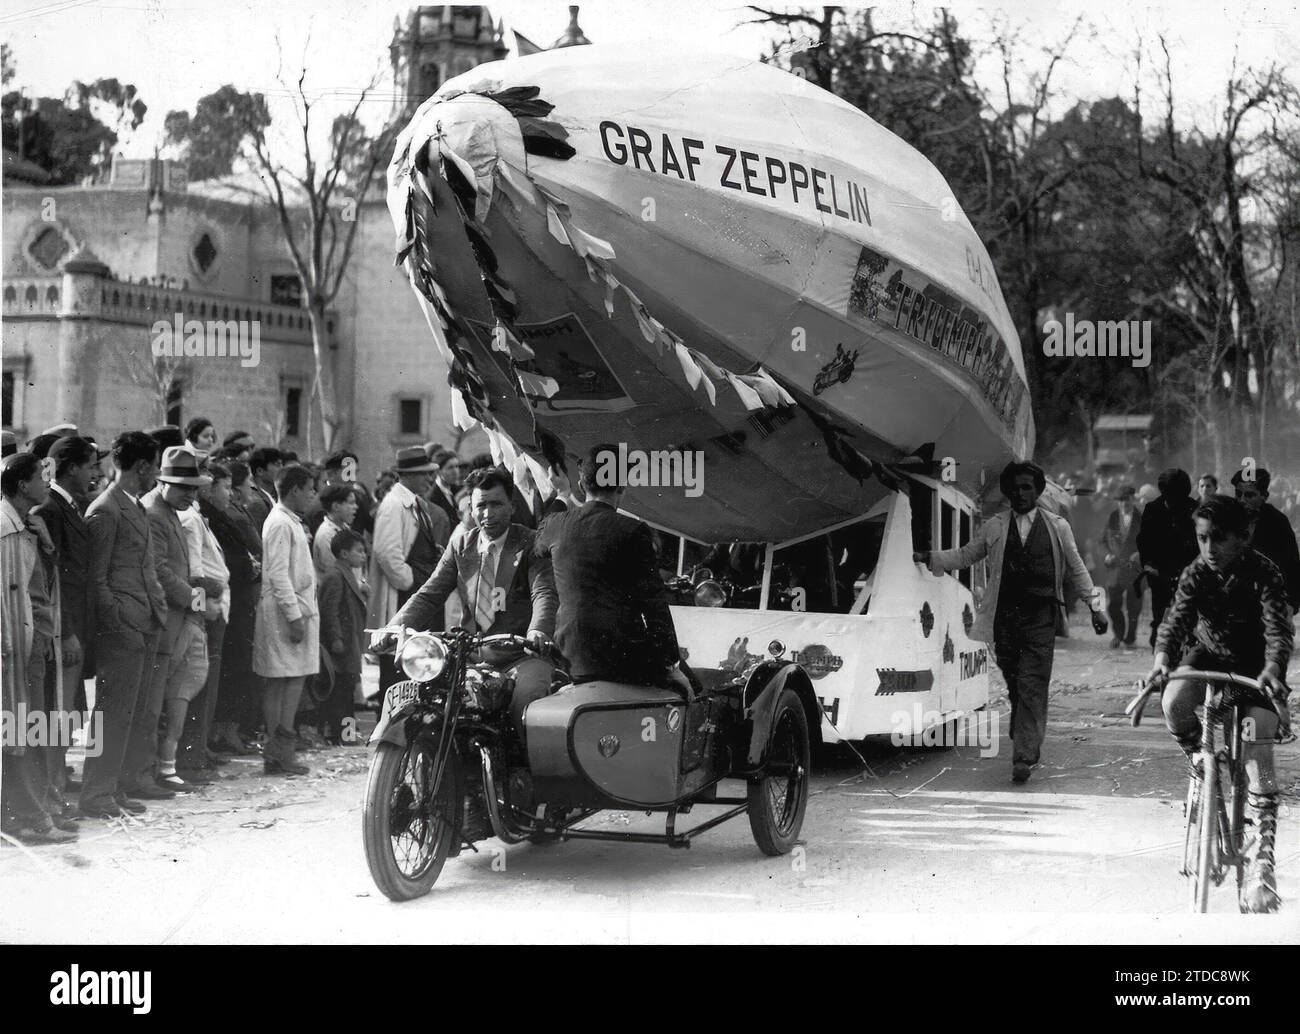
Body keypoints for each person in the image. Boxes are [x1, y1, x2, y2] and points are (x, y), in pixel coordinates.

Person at [915, 460, 1109, 783]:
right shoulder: (995, 526)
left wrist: (1095, 607)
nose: (1020, 494)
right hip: (1005, 618)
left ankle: (1025, 754)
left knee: (1033, 682)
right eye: (1015, 488)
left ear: (1037, 491)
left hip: (1041, 617)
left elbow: (1077, 569)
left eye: (1026, 488)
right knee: (1016, 682)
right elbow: (966, 555)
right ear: (1007, 491)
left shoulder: (1058, 527)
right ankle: (1024, 726)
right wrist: (932, 558)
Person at [1145, 495, 1292, 913]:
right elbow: (1174, 622)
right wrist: (1160, 661)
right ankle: (1198, 758)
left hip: (1254, 669)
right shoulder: (1195, 572)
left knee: (1258, 748)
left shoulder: (1265, 573)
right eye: (1202, 538)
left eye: (1218, 540)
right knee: (1173, 701)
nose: (1209, 549)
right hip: (1206, 656)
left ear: (1242, 539)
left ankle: (1263, 865)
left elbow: (1279, 630)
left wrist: (1274, 667)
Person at [381, 467, 557, 738]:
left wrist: (538, 631)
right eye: (481, 506)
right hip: (471, 658)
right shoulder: (461, 543)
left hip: (522, 656)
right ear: (471, 509)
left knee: (524, 706)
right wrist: (392, 629)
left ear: (511, 506)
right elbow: (430, 594)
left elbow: (543, 592)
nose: (487, 514)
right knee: (439, 705)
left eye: (496, 504)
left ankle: (526, 777)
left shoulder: (531, 543)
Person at [533, 444, 688, 691]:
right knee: (696, 689)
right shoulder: (633, 530)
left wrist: (562, 493)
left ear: (583, 486)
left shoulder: (556, 525)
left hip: (570, 655)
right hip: (619, 658)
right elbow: (654, 604)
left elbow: (540, 535)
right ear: (621, 487)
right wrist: (673, 667)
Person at [80, 432, 169, 817]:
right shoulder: (107, 509)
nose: (156, 476)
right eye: (155, 467)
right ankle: (96, 793)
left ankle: (113, 788)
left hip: (143, 623)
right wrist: (119, 621)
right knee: (110, 714)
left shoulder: (131, 505)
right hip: (124, 629)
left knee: (127, 715)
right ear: (143, 467)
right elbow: (96, 579)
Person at [1, 452, 77, 844]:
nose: (46, 482)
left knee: (30, 731)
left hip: (36, 641)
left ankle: (31, 811)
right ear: (20, 486)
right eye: (38, 477)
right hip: (16, 646)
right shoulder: (3, 529)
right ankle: (28, 816)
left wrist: (46, 545)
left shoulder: (26, 526)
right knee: (22, 732)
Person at [144, 448, 217, 793]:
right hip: (163, 620)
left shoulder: (171, 511)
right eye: (185, 488)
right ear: (164, 482)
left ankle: (162, 767)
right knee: (156, 699)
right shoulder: (155, 513)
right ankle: (150, 771)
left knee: (172, 694)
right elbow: (159, 570)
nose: (192, 495)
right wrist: (196, 600)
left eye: (195, 488)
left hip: (178, 619)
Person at [367, 447, 451, 710]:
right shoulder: (394, 505)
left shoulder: (415, 504)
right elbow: (387, 553)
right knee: (397, 670)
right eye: (424, 474)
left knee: (414, 666)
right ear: (407, 476)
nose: (429, 480)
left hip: (415, 597)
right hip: (404, 597)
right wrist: (412, 581)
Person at [252, 465, 319, 776]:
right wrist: (293, 616)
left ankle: (278, 752)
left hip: (293, 607)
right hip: (285, 611)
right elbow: (278, 574)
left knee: (287, 680)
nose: (312, 495)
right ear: (294, 490)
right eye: (309, 489)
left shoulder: (287, 521)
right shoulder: (280, 523)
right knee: (284, 680)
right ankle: (279, 752)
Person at [176, 461, 233, 781]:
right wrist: (210, 595)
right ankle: (190, 758)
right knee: (197, 686)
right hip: (206, 611)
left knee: (205, 686)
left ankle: (197, 753)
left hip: (213, 609)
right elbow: (195, 575)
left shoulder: (195, 517)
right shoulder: (190, 521)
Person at [210, 461, 262, 755]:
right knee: (234, 665)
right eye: (227, 486)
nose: (234, 492)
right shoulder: (226, 515)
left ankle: (227, 731)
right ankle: (224, 731)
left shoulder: (234, 512)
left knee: (237, 666)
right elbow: (238, 557)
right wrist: (252, 565)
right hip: (237, 599)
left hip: (242, 600)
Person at [317, 529, 370, 745]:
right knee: (341, 694)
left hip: (349, 643)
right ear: (344, 553)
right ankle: (343, 735)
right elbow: (330, 610)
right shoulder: (335, 576)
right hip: (341, 645)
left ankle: (344, 734)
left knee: (346, 691)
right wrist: (336, 638)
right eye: (359, 551)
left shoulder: (345, 573)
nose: (363, 555)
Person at [1136, 468, 1198, 649]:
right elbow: (1143, 541)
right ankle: (1160, 655)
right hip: (1159, 573)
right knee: (1160, 618)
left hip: (1188, 573)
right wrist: (1148, 564)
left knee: (1187, 619)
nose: (1172, 502)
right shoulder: (1152, 509)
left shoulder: (1194, 509)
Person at [1230, 467, 1300, 609]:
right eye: (1238, 494)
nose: (1242, 500)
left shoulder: (1277, 522)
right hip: (1234, 600)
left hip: (1269, 600)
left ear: (1264, 496)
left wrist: (1291, 603)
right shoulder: (1227, 518)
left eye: (1249, 495)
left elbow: (1291, 564)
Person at [1101, 484, 1143, 648]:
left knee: (1134, 607)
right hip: (1115, 569)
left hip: (1135, 570)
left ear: (1133, 499)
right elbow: (1102, 541)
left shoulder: (1143, 518)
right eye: (1121, 500)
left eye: (1127, 499)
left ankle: (1131, 635)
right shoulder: (1112, 517)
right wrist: (1106, 554)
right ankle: (1118, 634)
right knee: (1113, 606)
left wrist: (1141, 554)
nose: (1124, 503)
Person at [312, 484, 358, 580]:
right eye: (351, 503)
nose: (356, 507)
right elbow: (338, 572)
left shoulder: (345, 528)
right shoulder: (326, 535)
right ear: (336, 506)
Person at [245, 447, 284, 530]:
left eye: (282, 464)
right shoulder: (256, 503)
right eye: (277, 465)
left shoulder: (270, 495)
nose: (282, 469)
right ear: (260, 471)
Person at [428, 449, 464, 526]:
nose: (456, 471)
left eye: (457, 466)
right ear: (438, 471)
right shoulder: (432, 497)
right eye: (450, 468)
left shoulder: (459, 490)